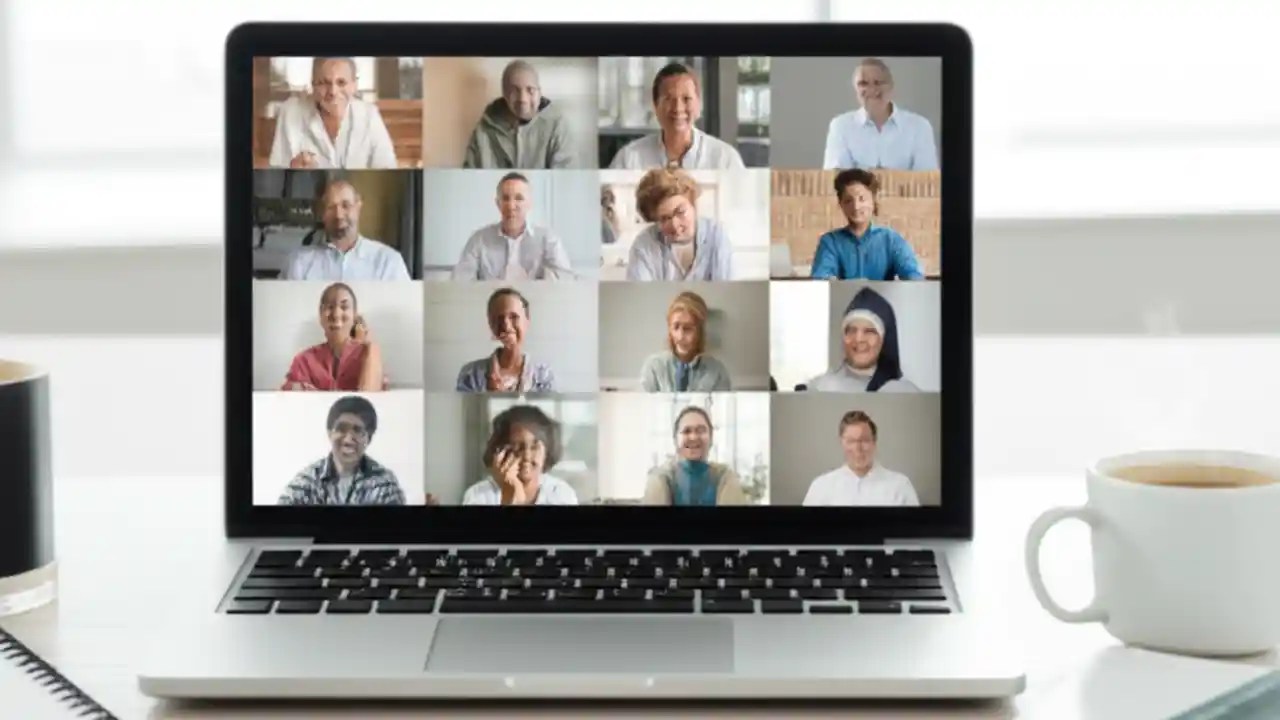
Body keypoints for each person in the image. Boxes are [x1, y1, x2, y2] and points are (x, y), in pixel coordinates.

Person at [268, 57, 398, 170]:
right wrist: (292, 170)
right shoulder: (290, 111)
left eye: (341, 82)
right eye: (324, 83)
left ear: (354, 85)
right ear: (313, 85)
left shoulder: (370, 114)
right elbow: (276, 170)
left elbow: (387, 166)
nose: (333, 91)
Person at [609, 63, 745, 170]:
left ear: (699, 104)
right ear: (655, 105)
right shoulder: (629, 159)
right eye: (668, 99)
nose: (678, 108)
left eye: (686, 99)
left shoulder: (725, 159)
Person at [278, 396, 406, 505]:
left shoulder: (384, 483)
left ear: (369, 438)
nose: (348, 440)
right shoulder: (307, 481)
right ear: (329, 433)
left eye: (358, 431)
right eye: (341, 429)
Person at [278, 180, 411, 281]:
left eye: (346, 205)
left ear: (358, 207)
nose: (339, 215)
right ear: (321, 212)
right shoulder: (298, 263)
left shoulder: (388, 262)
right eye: (331, 207)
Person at [451, 172, 574, 280]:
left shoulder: (548, 239)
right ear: (498, 203)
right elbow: (460, 282)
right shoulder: (478, 240)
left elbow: (565, 281)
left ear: (529, 203)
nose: (511, 206)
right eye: (505, 198)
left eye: (519, 198)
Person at [822, 58, 938, 171]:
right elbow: (836, 180)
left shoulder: (920, 127)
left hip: (905, 191)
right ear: (855, 89)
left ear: (891, 86)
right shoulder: (840, 126)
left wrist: (889, 181)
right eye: (863, 83)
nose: (872, 89)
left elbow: (927, 181)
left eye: (878, 83)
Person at [810, 169, 924, 280]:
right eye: (848, 201)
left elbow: (913, 275)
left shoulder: (891, 240)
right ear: (841, 205)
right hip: (842, 299)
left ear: (873, 201)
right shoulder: (830, 242)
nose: (856, 206)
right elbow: (821, 280)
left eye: (862, 199)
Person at [463, 60, 576, 169]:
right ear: (504, 93)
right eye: (514, 90)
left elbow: (566, 177)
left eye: (530, 90)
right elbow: (469, 175)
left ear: (539, 93)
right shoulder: (483, 130)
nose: (523, 99)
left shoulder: (557, 125)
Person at [626, 168, 733, 281]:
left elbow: (726, 291)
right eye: (664, 219)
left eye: (680, 212)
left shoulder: (716, 235)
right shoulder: (644, 244)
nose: (675, 226)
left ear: (693, 203)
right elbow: (639, 294)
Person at [807, 286, 920, 392]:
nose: (858, 339)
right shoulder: (820, 388)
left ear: (884, 340)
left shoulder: (904, 392)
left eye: (869, 331)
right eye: (851, 330)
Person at [461, 405, 579, 505]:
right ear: (500, 452)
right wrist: (509, 496)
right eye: (517, 446)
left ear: (547, 451)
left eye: (535, 446)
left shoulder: (562, 494)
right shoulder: (478, 496)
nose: (527, 455)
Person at [281, 283, 387, 391]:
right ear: (321, 315)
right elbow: (290, 399)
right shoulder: (304, 360)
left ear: (355, 316)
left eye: (344, 307)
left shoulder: (368, 355)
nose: (336, 314)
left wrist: (371, 346)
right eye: (330, 307)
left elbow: (370, 399)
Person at [802, 410, 920, 506]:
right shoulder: (821, 486)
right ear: (841, 442)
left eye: (864, 440)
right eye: (851, 441)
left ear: (874, 442)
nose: (858, 448)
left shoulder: (900, 486)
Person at [456, 287, 555, 392]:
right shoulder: (471, 374)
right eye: (499, 318)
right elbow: (466, 408)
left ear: (527, 320)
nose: (506, 326)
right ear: (490, 324)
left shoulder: (543, 375)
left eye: (514, 317)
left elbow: (548, 408)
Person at [642, 406, 747, 506]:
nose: (693, 437)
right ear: (675, 439)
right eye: (686, 431)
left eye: (701, 430)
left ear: (711, 438)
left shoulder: (724, 476)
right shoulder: (662, 477)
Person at [639, 291, 731, 391]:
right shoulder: (653, 368)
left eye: (688, 328)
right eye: (676, 327)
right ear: (669, 329)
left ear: (699, 332)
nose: (680, 336)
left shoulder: (717, 372)